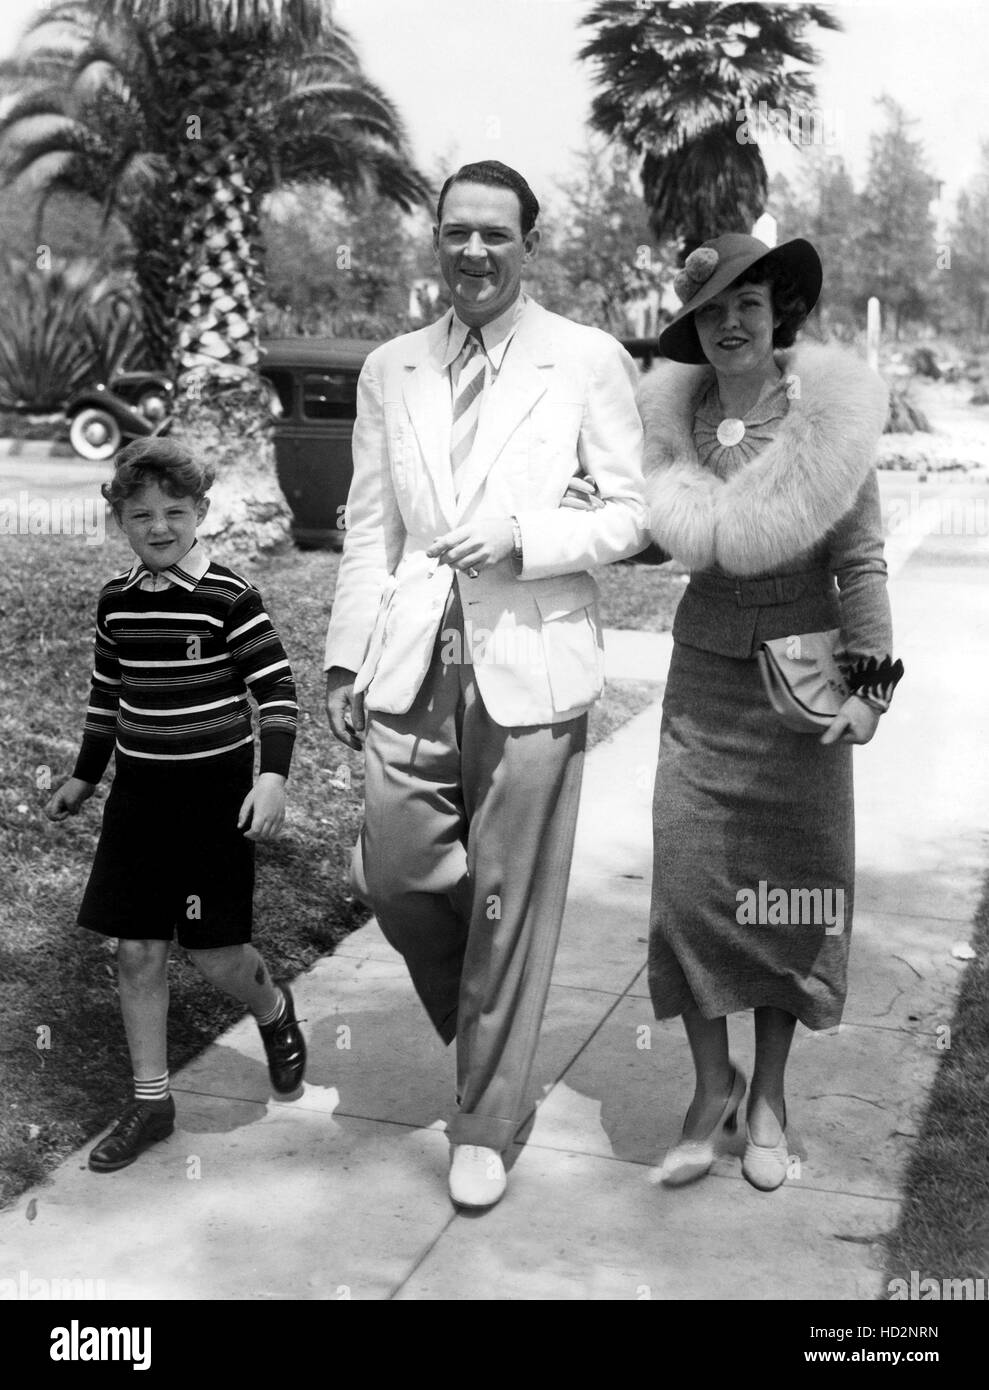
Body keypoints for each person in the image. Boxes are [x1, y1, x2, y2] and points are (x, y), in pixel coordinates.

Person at [324, 160, 648, 1209]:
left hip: (531, 656)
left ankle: (487, 1119)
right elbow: (369, 525)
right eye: (455, 231)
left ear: (527, 244)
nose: (472, 251)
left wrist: (525, 536)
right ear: (434, 238)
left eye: (494, 236)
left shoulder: (584, 359)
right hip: (414, 651)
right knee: (398, 873)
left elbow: (627, 515)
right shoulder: (392, 368)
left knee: (512, 897)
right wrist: (343, 655)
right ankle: (489, 1015)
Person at [638, 233, 903, 1192]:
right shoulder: (678, 419)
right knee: (689, 885)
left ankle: (769, 1102)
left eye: (747, 301)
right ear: (693, 327)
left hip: (802, 685)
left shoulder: (826, 420)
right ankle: (710, 1089)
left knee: (789, 889)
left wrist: (871, 690)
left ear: (777, 308)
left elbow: (860, 558)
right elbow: (644, 533)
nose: (731, 323)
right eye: (710, 310)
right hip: (702, 680)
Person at [46, 438, 306, 1173]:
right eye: (140, 515)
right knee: (136, 950)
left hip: (212, 801)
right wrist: (85, 776)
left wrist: (272, 778)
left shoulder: (228, 596)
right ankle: (152, 1102)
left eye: (174, 512)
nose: (158, 527)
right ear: (119, 521)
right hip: (139, 802)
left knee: (215, 953)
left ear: (201, 513)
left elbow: (278, 692)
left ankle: (272, 1010)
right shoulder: (116, 601)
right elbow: (107, 696)